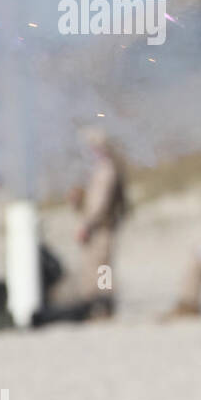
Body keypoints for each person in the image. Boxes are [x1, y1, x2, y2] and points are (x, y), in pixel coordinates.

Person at [73, 128, 127, 318]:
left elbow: (99, 204)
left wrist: (87, 225)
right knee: (98, 267)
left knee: (102, 268)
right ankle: (99, 306)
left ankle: (103, 306)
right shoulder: (104, 169)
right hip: (100, 225)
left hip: (101, 227)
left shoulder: (106, 170)